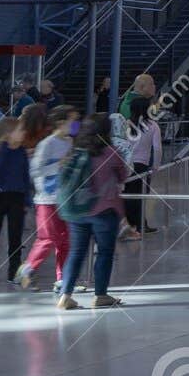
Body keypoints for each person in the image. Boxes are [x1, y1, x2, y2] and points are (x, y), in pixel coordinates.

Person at [58, 115, 130, 309]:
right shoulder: (111, 152)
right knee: (105, 253)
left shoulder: (75, 151)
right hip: (105, 211)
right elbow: (123, 175)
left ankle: (65, 295)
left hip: (78, 212)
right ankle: (100, 295)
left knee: (76, 252)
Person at [0, 109, 41, 288]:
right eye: (20, 130)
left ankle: (14, 272)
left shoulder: (21, 152)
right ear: (8, 133)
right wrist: (5, 147)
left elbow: (24, 176)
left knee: (16, 237)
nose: (23, 134)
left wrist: (27, 201)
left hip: (17, 197)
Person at [18, 106, 77, 292]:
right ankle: (27, 269)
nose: (75, 125)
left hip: (64, 198)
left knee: (65, 240)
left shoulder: (69, 142)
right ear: (61, 122)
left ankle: (62, 279)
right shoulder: (47, 144)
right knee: (47, 238)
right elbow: (35, 170)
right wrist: (58, 166)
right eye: (71, 120)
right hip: (46, 199)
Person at [119, 95, 162, 239]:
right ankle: (139, 224)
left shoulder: (126, 124)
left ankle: (129, 225)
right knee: (140, 196)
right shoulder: (152, 125)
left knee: (126, 196)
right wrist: (156, 165)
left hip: (125, 165)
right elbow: (157, 148)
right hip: (141, 166)